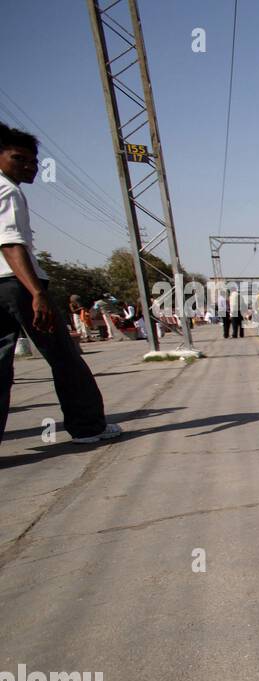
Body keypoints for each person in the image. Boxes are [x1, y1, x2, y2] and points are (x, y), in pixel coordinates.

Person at [0, 123, 120, 445]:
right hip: (18, 284)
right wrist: (37, 292)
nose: (29, 166)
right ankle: (88, 428)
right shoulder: (8, 190)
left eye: (33, 161)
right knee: (65, 358)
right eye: (18, 158)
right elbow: (11, 245)